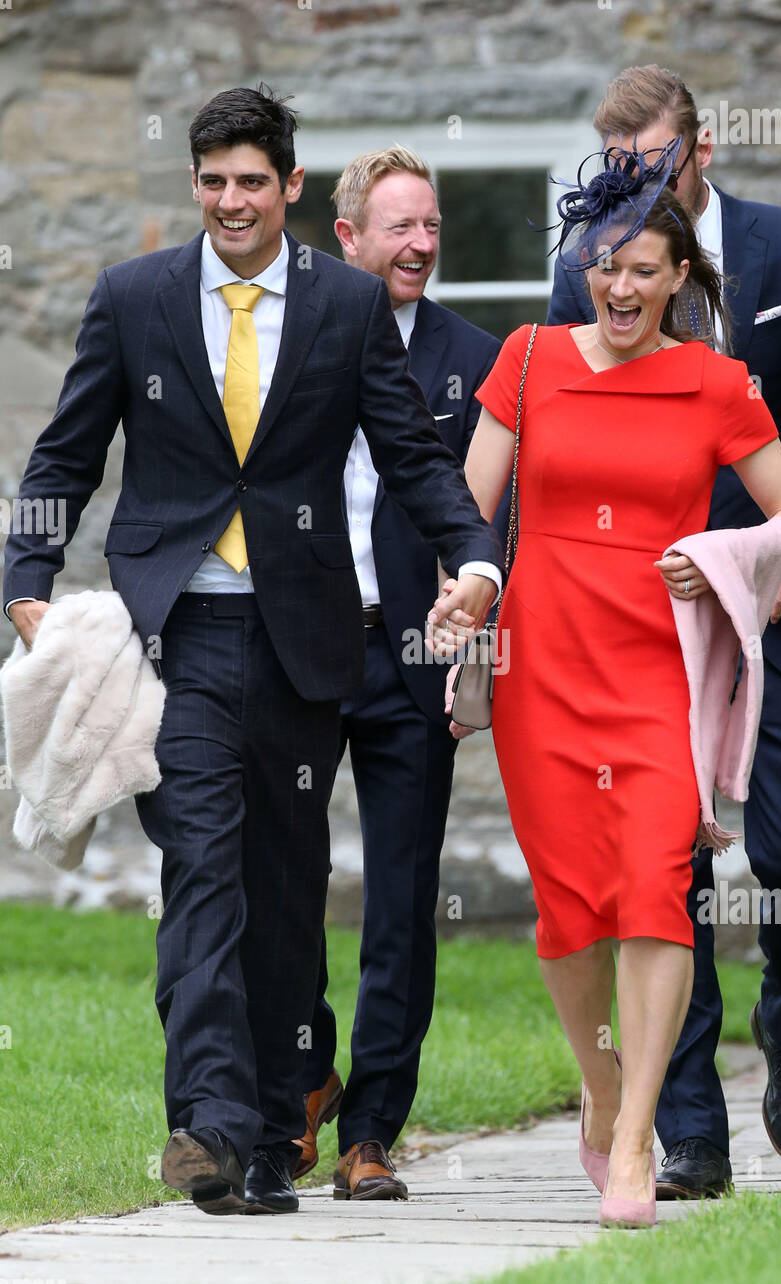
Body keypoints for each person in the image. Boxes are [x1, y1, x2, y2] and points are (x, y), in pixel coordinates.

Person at [1, 86, 502, 1217]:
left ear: (288, 189)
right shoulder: (134, 299)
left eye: (251, 182)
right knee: (200, 872)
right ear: (196, 186)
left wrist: (473, 557)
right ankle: (211, 1126)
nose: (231, 200)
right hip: (173, 637)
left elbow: (415, 455)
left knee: (283, 889)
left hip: (301, 640)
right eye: (212, 181)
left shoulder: (343, 306)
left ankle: (280, 1122)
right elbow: (63, 455)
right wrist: (27, 580)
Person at [430, 141, 781, 1226]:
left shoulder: (714, 381)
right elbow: (471, 509)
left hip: (656, 667)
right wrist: (465, 588)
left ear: (678, 278)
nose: (619, 285)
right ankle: (598, 1089)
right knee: (565, 908)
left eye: (644, 267)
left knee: (653, 889)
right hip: (539, 665)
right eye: (604, 264)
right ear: (583, 266)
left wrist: (727, 554)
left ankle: (640, 1132)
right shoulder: (527, 358)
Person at [548, 65, 781, 1195]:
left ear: (698, 152)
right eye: (615, 169)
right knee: (663, 871)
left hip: (780, 594)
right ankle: (687, 1125)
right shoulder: (584, 270)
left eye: (647, 162)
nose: (631, 184)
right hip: (651, 614)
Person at [291, 147, 500, 1200]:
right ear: (348, 238)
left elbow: (495, 521)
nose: (420, 243)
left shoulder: (479, 356)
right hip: (304, 641)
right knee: (274, 878)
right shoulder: (296, 334)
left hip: (422, 653)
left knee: (401, 900)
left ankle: (370, 1130)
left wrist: (479, 660)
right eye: (399, 227)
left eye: (430, 226)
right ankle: (306, 1070)